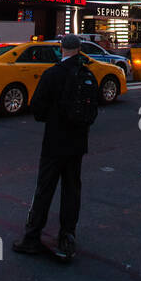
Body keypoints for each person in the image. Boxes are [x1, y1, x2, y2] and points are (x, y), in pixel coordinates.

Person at [13, 35, 100, 260]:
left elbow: (37, 108)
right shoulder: (88, 74)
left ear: (62, 49)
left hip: (54, 142)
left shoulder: (53, 74)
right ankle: (67, 235)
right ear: (79, 49)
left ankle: (32, 237)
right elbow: (93, 109)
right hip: (78, 142)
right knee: (72, 189)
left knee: (44, 189)